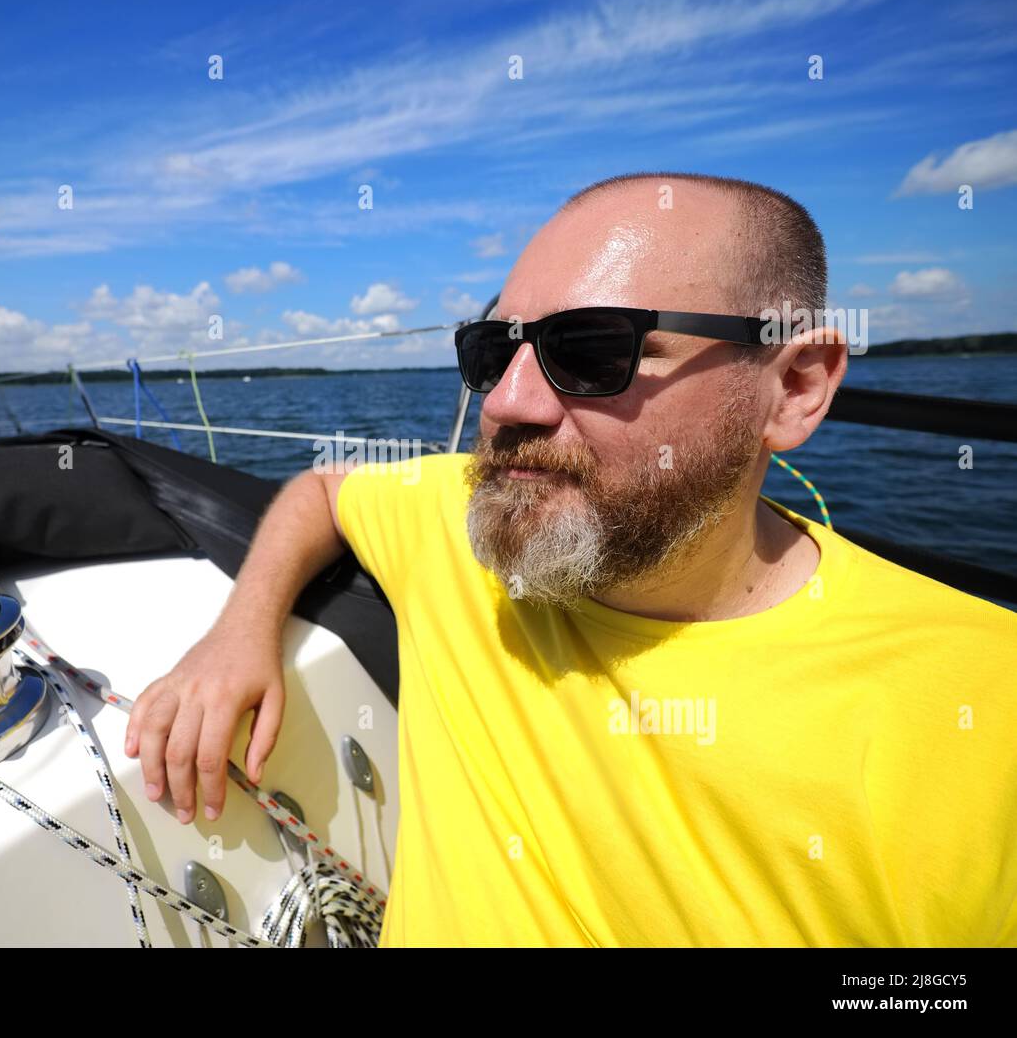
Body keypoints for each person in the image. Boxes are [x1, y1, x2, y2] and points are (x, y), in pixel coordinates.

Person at [125, 172, 1017, 947]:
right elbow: (325, 491)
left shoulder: (981, 710)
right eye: (492, 350)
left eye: (593, 350)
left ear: (792, 387)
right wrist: (240, 629)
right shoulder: (471, 518)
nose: (507, 402)